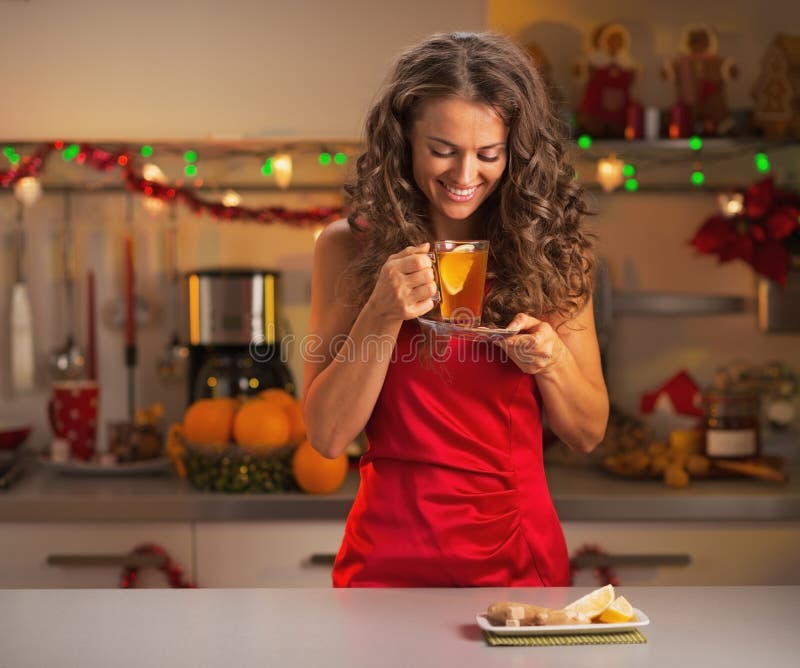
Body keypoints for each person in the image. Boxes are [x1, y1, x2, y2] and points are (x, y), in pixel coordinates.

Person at [302, 31, 609, 587]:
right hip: (383, 561)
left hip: (517, 560)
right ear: (405, 142)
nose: (465, 177)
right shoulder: (346, 248)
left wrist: (552, 360)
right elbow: (325, 436)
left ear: (514, 152)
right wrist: (381, 312)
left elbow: (588, 432)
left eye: (488, 154)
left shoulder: (555, 253)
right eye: (442, 150)